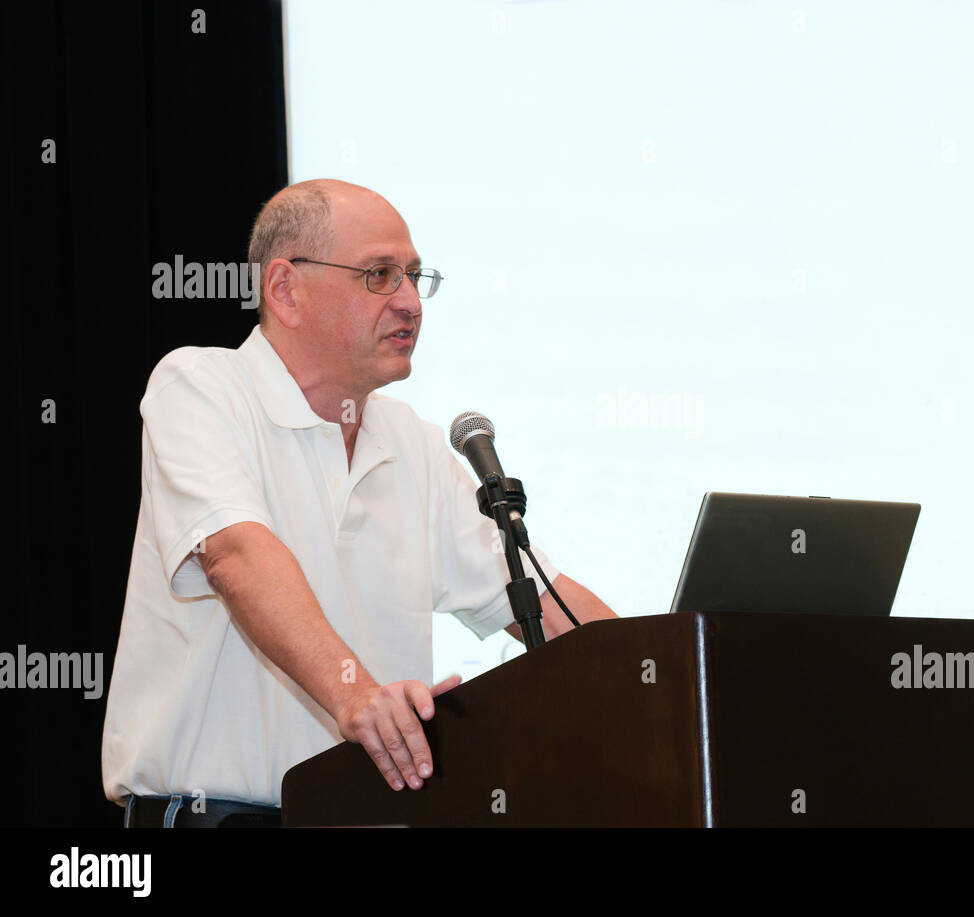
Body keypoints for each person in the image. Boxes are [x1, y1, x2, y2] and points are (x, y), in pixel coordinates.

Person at [102, 179, 617, 827]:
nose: (410, 302)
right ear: (285, 290)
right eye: (379, 274)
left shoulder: (413, 444)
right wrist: (358, 697)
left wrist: (666, 678)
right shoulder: (203, 389)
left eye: (414, 276)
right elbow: (236, 556)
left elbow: (545, 605)